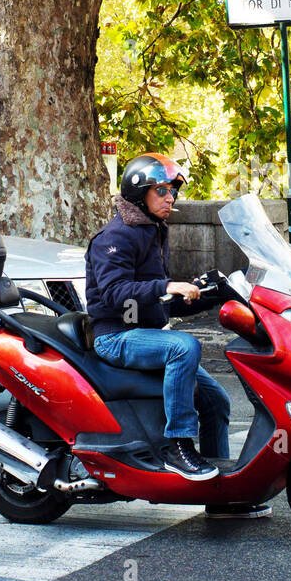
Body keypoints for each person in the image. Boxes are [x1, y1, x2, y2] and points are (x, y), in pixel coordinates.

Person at [85, 153, 234, 483]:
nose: (171, 198)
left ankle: (224, 493)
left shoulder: (151, 232)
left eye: (173, 191)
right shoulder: (116, 237)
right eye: (162, 191)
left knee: (216, 401)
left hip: (143, 332)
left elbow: (162, 303)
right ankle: (177, 447)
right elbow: (115, 292)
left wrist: (216, 294)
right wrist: (167, 285)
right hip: (115, 335)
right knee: (183, 347)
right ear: (140, 195)